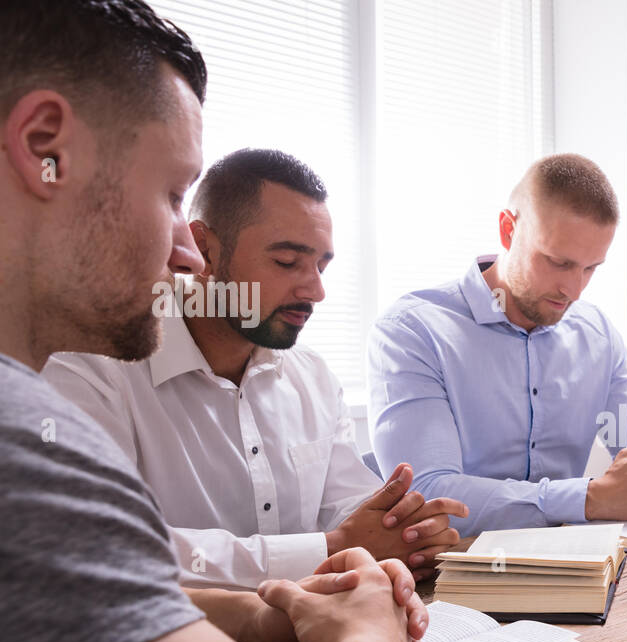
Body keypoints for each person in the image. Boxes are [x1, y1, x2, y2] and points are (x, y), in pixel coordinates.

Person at [0, 0, 427, 642]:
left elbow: (79, 589)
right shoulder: (25, 443)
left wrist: (249, 621)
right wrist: (370, 641)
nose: (185, 257)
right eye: (167, 194)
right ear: (45, 147)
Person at [43, 148, 466, 589]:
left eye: (322, 265)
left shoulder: (314, 378)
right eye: (287, 262)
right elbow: (100, 544)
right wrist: (331, 547)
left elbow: (350, 512)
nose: (316, 290)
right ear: (202, 246)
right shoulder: (91, 367)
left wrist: (404, 532)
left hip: (319, 638)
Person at [367, 153, 627, 538]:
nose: (573, 290)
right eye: (559, 262)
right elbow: (428, 495)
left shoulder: (598, 334)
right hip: (447, 574)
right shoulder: (412, 331)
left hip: (575, 566)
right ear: (508, 229)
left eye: (591, 268)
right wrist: (589, 499)